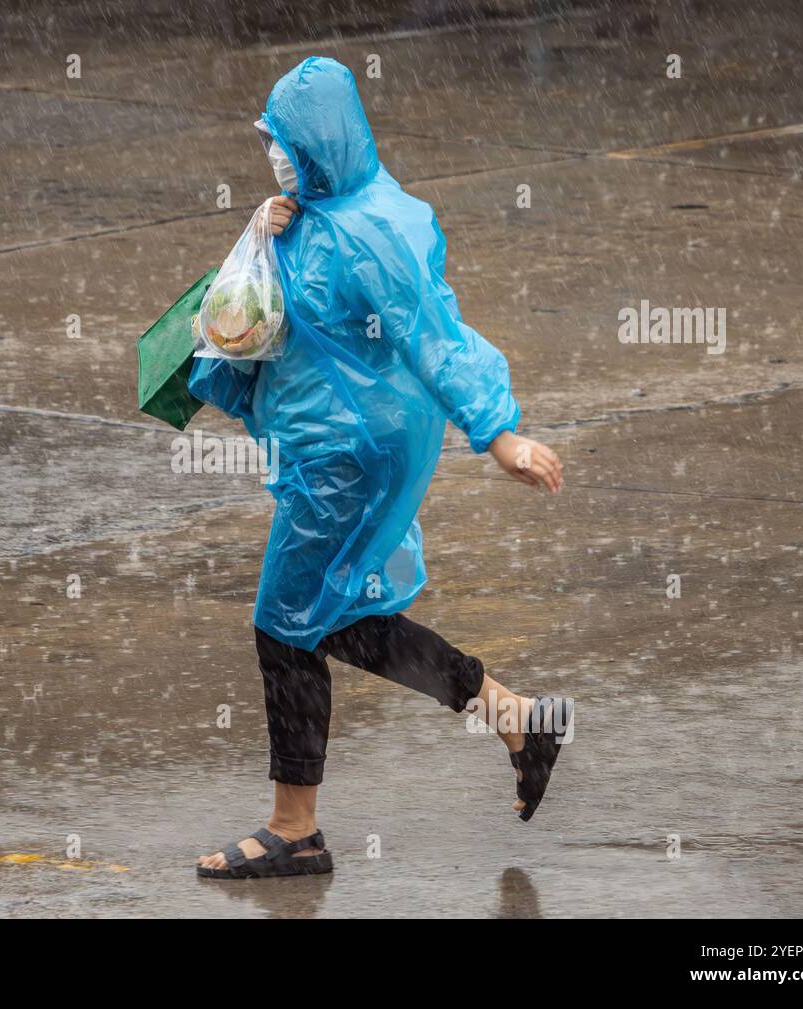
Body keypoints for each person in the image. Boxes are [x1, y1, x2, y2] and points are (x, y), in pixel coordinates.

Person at [189, 57, 570, 880]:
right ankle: (516, 716)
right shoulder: (327, 210)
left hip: (349, 458)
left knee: (284, 622)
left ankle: (295, 828)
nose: (276, 158)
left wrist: (497, 431)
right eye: (269, 144)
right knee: (338, 615)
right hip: (340, 446)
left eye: (283, 144)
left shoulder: (370, 229)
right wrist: (268, 232)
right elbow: (263, 319)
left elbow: (434, 330)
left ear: (319, 139)